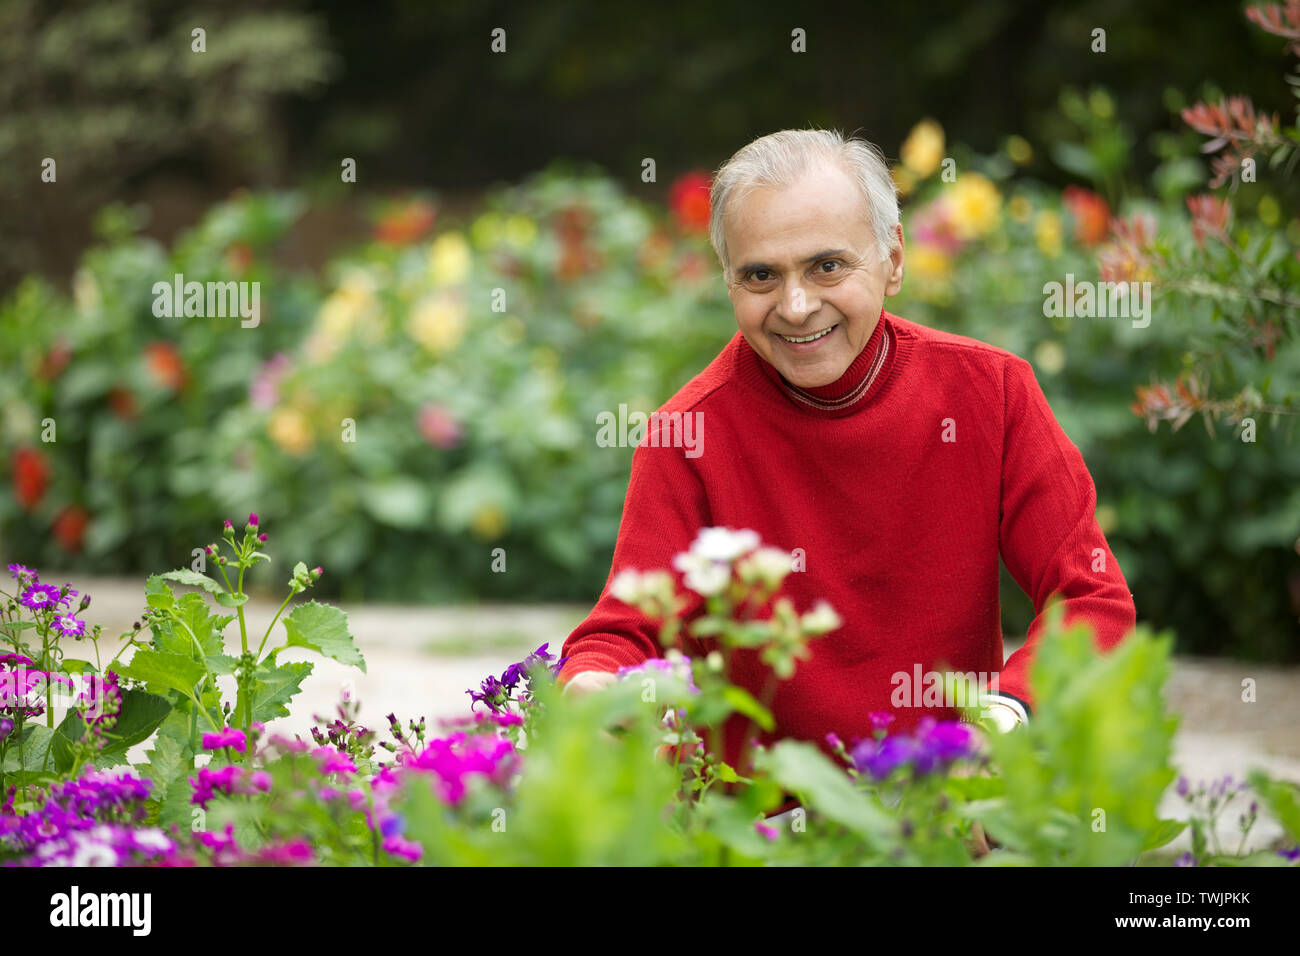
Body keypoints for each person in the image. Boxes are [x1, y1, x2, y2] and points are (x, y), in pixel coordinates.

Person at [557, 127, 1137, 785]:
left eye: (827, 266)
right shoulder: (685, 435)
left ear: (893, 259)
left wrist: (1002, 729)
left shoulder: (991, 394)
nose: (796, 306)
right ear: (728, 280)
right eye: (760, 275)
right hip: (765, 831)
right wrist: (592, 690)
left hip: (952, 806)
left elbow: (1091, 597)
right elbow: (621, 634)